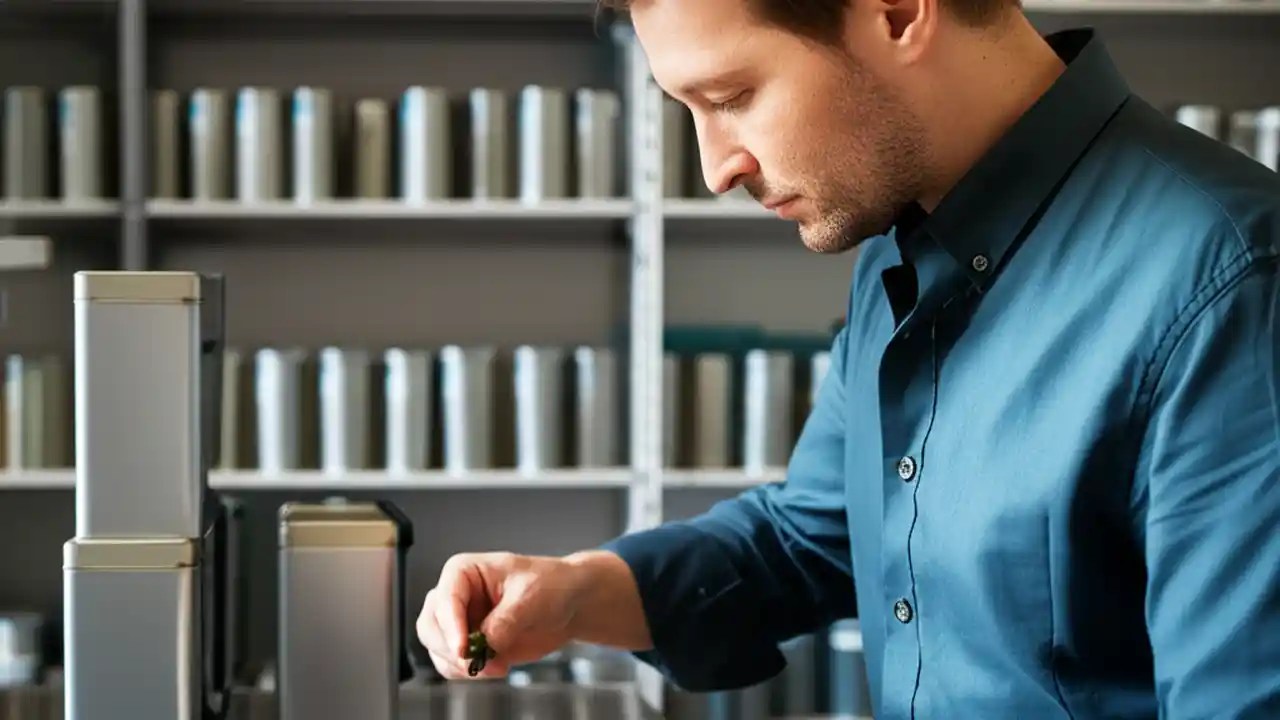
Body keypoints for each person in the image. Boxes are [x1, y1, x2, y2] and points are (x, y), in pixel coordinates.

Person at [417, 0, 1280, 716]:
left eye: (732, 95)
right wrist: (574, 594)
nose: (716, 166)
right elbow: (812, 537)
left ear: (900, 12)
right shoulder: (903, 242)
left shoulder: (1234, 287)